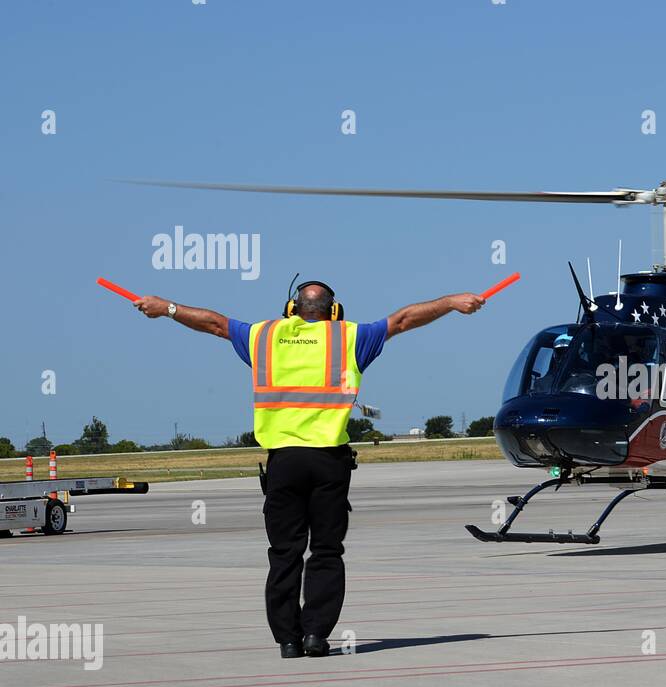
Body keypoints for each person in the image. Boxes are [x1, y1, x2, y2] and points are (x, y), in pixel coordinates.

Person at [133, 281, 485, 658]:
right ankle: (316, 635)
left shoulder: (264, 336)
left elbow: (214, 323)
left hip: (283, 462)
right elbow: (402, 320)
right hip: (328, 462)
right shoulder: (350, 338)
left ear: (291, 308)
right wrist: (449, 302)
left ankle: (288, 640)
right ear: (335, 310)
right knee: (326, 552)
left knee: (284, 552)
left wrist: (165, 307)